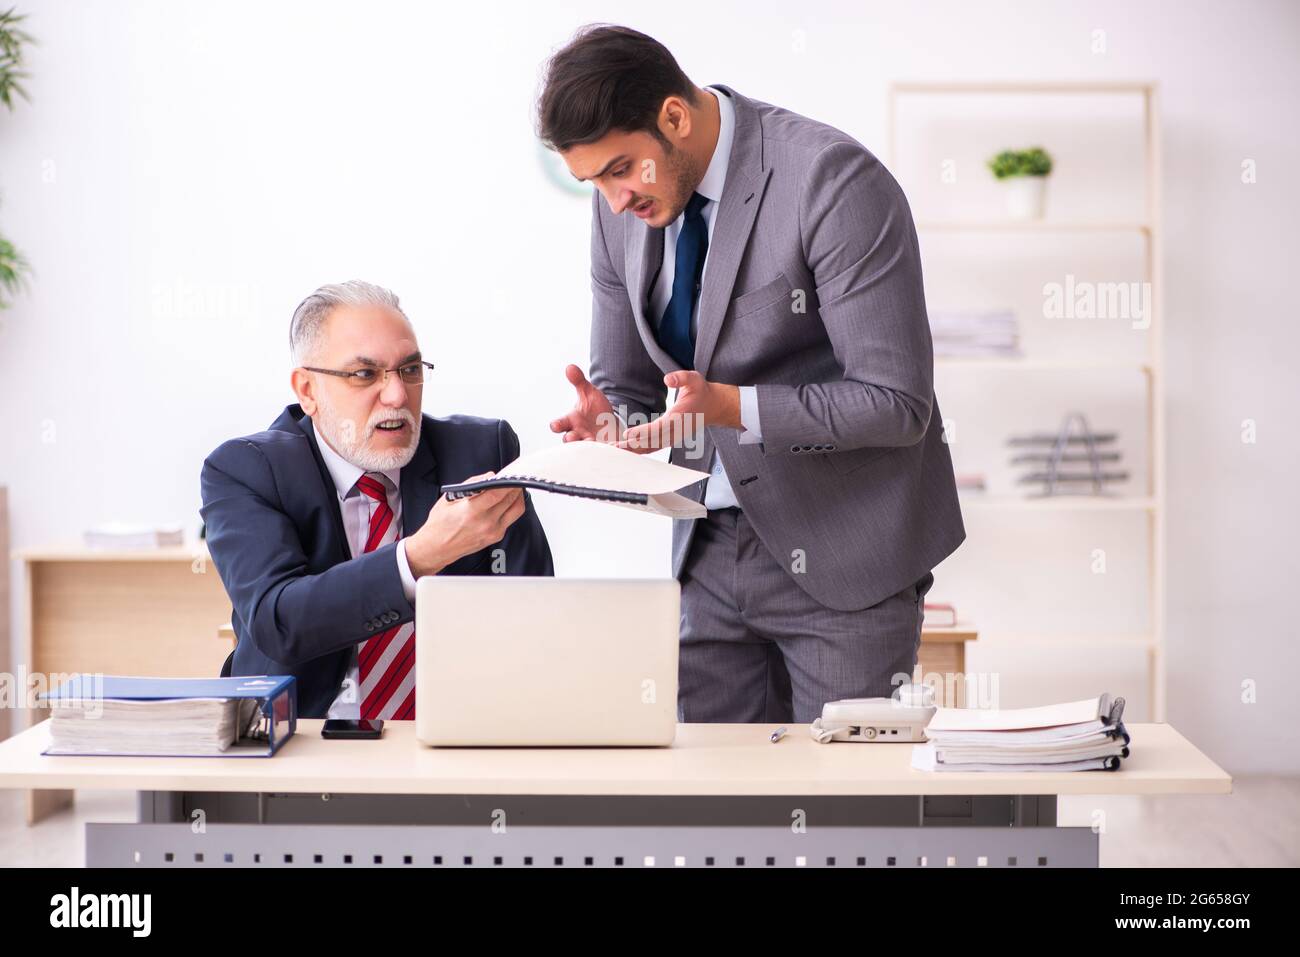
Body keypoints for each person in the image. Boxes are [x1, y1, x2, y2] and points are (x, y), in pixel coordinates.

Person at [540, 26, 965, 724]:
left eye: (621, 169)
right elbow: (627, 383)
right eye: (593, 181)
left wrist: (733, 405)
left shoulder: (830, 180)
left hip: (845, 557)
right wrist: (616, 424)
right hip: (704, 553)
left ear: (674, 116)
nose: (614, 200)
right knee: (718, 818)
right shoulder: (617, 209)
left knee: (843, 820)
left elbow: (895, 403)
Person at [201, 280, 553, 719]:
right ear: (307, 390)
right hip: (299, 740)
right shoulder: (246, 469)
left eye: (409, 370)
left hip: (453, 740)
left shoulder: (481, 452)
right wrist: (418, 557)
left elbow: (532, 614)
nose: (397, 395)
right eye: (364, 374)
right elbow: (280, 622)